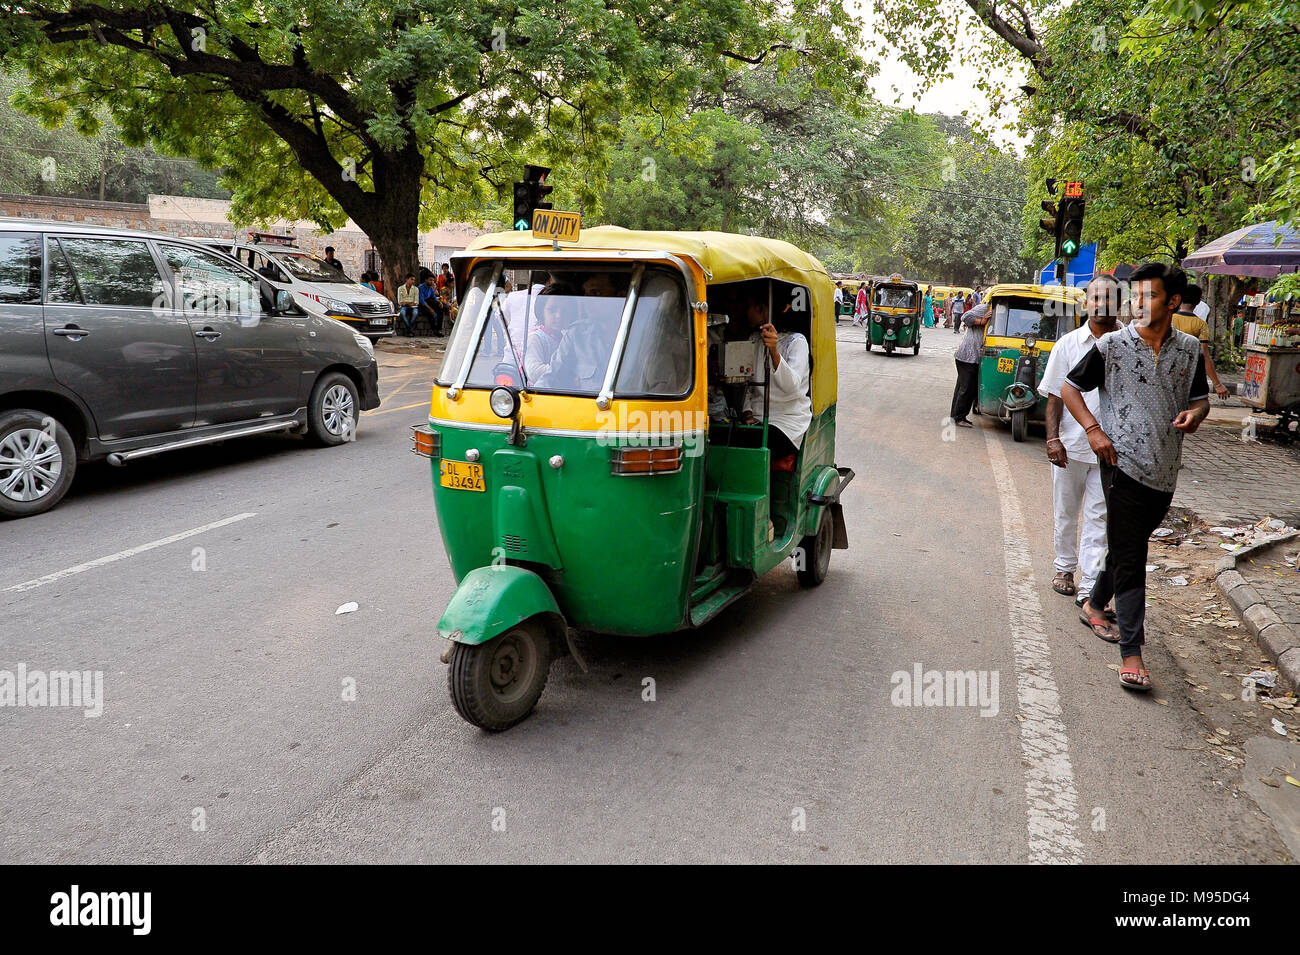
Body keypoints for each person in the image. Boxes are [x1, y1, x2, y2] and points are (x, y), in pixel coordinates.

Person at [1062, 262, 1210, 692]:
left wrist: (1196, 415)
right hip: (1120, 466)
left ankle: (1093, 602)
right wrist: (1093, 430)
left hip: (1164, 472)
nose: (1139, 304)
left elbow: (1200, 401)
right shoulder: (1112, 346)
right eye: (1137, 296)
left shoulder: (1188, 350)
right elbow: (1070, 388)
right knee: (1132, 560)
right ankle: (1132, 652)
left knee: (1128, 547)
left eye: (1150, 296)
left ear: (1173, 302)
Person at [1039, 275, 1122, 613]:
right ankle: (1064, 567)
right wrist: (1052, 438)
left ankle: (1089, 586)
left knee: (1100, 518)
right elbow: (1055, 397)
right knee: (1066, 510)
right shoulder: (1068, 344)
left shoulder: (1129, 344)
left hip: (1113, 451)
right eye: (1096, 297)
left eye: (1110, 298)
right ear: (1086, 302)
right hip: (1071, 445)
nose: (1102, 304)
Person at [739, 296, 812, 459]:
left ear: (762, 309)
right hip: (757, 419)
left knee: (752, 446)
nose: (744, 311)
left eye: (748, 306)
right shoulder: (753, 340)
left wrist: (774, 352)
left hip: (787, 423)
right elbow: (747, 385)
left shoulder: (797, 341)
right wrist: (747, 413)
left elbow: (792, 388)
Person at [1172, 284, 1230, 399]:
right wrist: (1217, 384)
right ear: (1198, 302)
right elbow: (1204, 355)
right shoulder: (1200, 324)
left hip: (1169, 371)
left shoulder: (1169, 319)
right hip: (1190, 375)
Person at [948, 302, 989, 427]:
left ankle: (957, 415)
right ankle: (959, 417)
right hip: (967, 356)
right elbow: (965, 317)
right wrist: (982, 321)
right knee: (966, 388)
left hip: (972, 356)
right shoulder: (985, 308)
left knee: (964, 387)